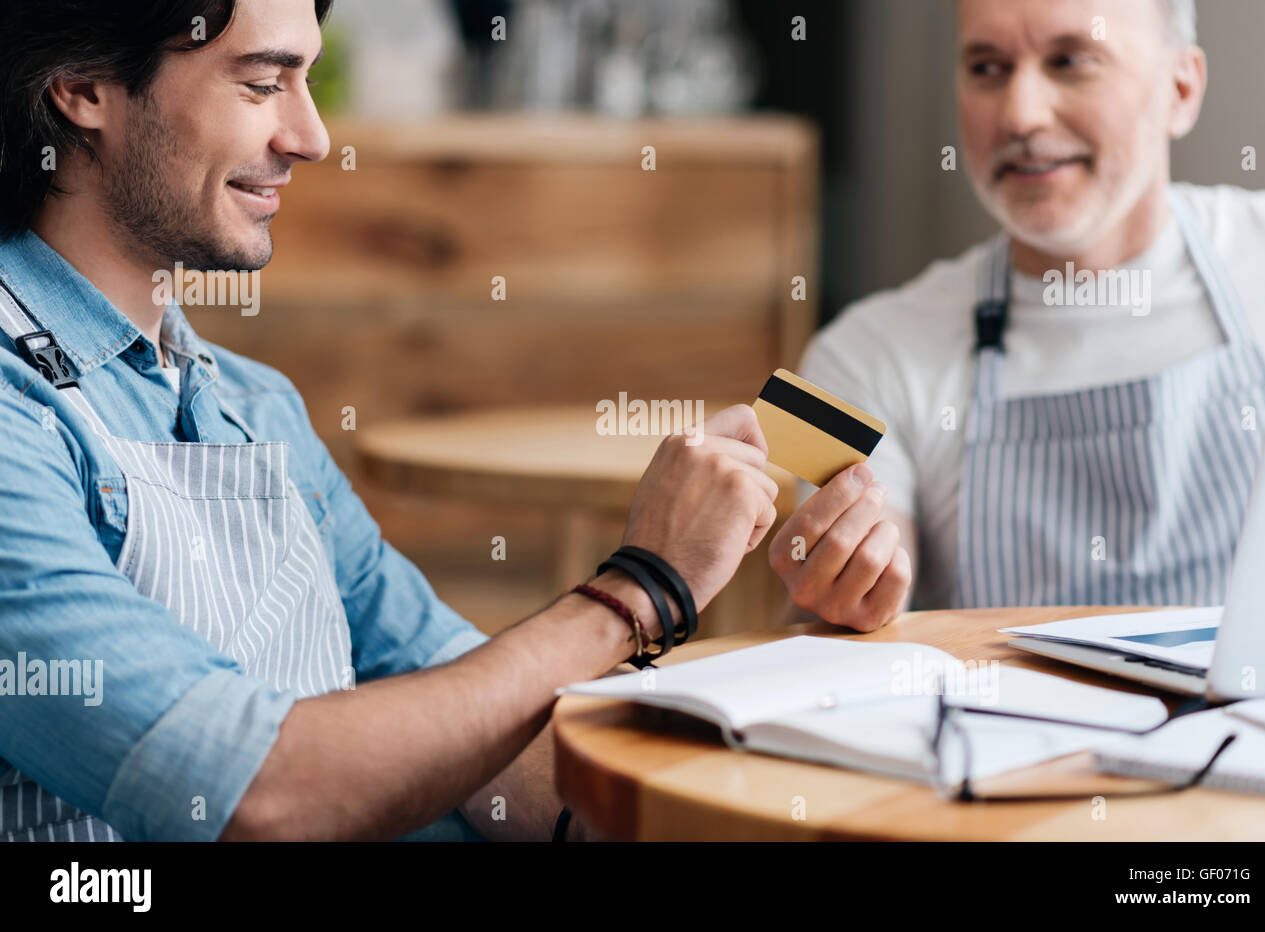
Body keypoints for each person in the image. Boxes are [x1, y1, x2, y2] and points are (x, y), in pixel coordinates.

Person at [0, 0, 780, 841]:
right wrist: (635, 591)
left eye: (305, 78)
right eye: (262, 84)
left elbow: (479, 722)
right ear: (84, 89)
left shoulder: (255, 407)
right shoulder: (17, 415)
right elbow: (256, 796)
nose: (311, 136)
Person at [770, 0, 1265, 628]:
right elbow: (826, 641)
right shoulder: (844, 359)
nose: (1019, 114)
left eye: (1071, 61)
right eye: (988, 68)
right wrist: (839, 593)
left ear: (1181, 90)